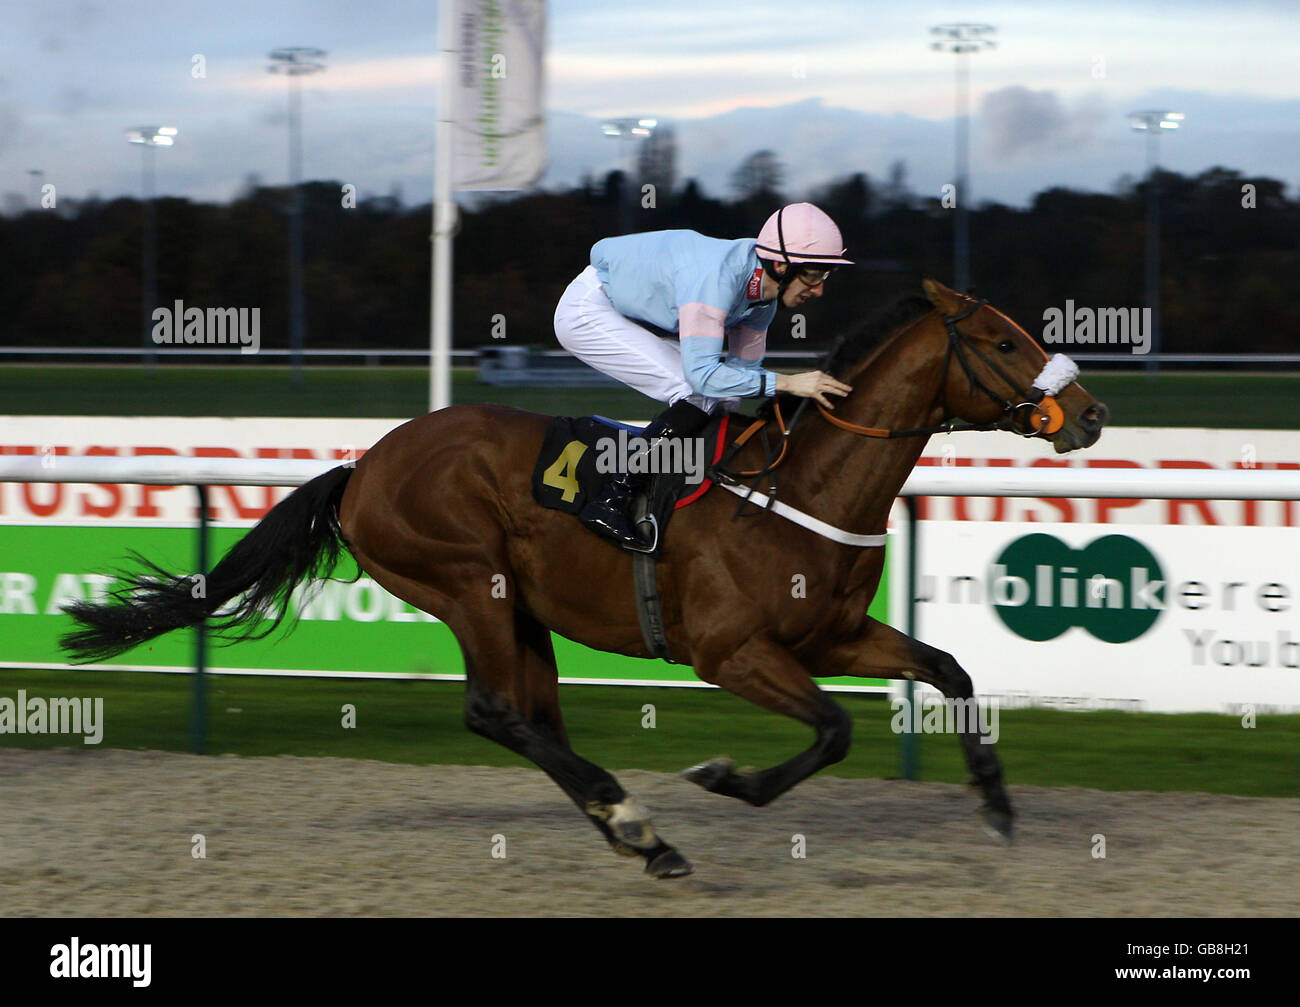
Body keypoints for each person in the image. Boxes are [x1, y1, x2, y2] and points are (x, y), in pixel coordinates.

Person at [553, 202, 854, 548]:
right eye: (814, 274)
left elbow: (741, 379)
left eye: (825, 276)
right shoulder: (719, 279)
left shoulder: (762, 303)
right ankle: (611, 499)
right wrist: (788, 382)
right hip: (590, 308)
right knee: (692, 389)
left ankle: (697, 483)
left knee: (723, 397)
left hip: (638, 314)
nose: (818, 290)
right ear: (781, 263)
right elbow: (702, 377)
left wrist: (780, 395)